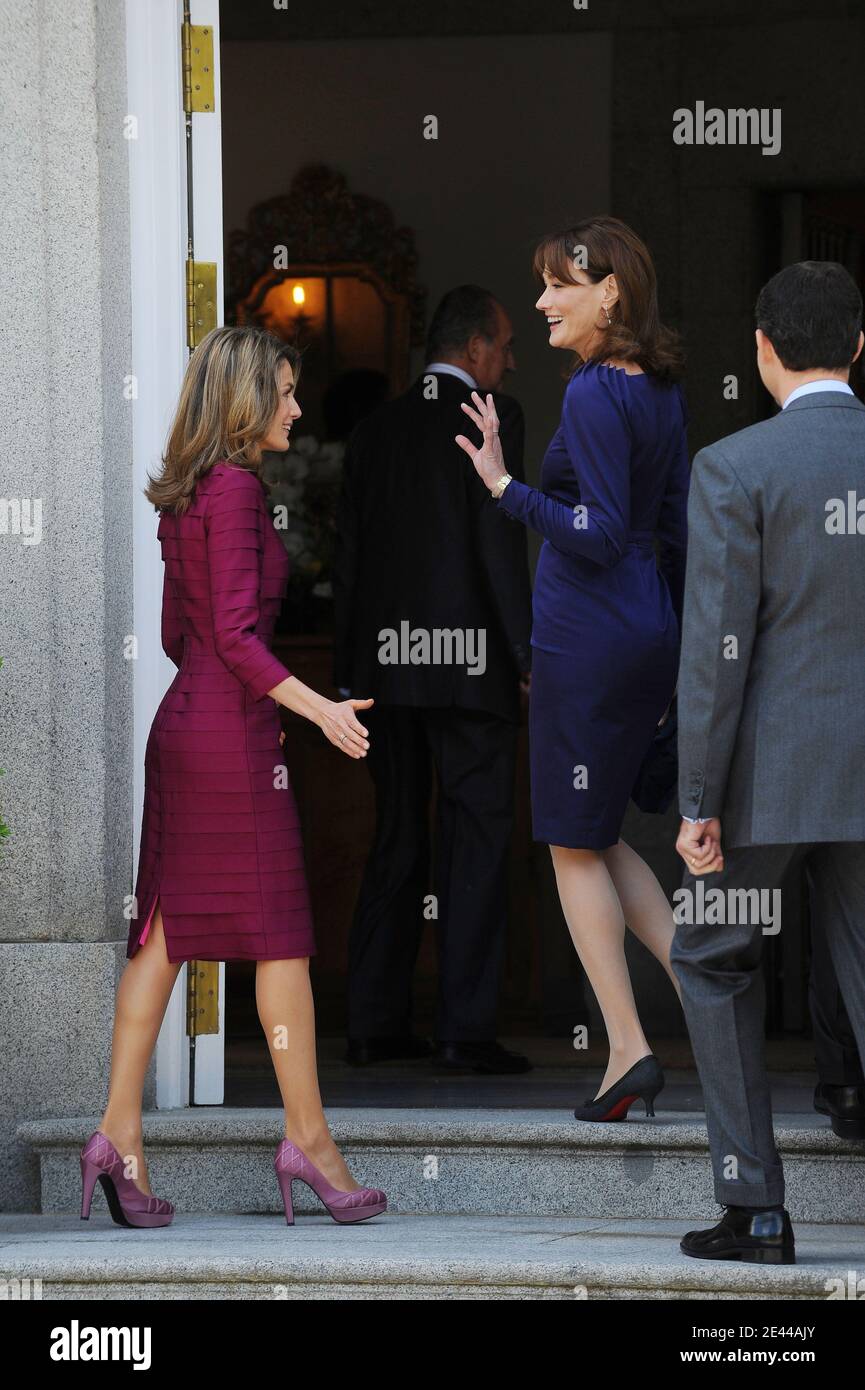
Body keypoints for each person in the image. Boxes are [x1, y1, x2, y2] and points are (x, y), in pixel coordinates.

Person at [79, 326, 387, 1229]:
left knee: (164, 933)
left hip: (187, 723)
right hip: (231, 739)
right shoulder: (242, 490)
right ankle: (311, 1143)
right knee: (281, 934)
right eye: (285, 393)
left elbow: (185, 635)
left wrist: (234, 691)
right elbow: (237, 636)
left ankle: (116, 1140)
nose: (297, 407)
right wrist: (319, 708)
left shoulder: (185, 497)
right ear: (246, 402)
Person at [456, 218, 689, 1117]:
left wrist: (504, 489)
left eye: (560, 285)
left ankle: (628, 1044)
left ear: (611, 295)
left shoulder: (595, 392)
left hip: (585, 637)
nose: (542, 301)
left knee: (567, 834)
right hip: (640, 633)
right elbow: (661, 532)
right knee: (591, 832)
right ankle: (700, 994)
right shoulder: (658, 388)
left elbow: (594, 533)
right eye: (542, 284)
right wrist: (663, 642)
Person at [671, 260, 865, 1264]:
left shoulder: (733, 465)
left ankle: (754, 1208)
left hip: (773, 778)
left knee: (707, 956)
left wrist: (696, 797)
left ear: (759, 349)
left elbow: (717, 649)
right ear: (860, 347)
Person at [333, 285, 534, 1074]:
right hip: (471, 667)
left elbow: (348, 559)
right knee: (476, 842)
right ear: (476, 350)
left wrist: (349, 673)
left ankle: (373, 1024)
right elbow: (497, 546)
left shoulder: (374, 428)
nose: (512, 360)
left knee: (395, 835)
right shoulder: (490, 415)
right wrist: (524, 656)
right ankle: (464, 1028)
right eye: (506, 345)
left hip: (384, 669)